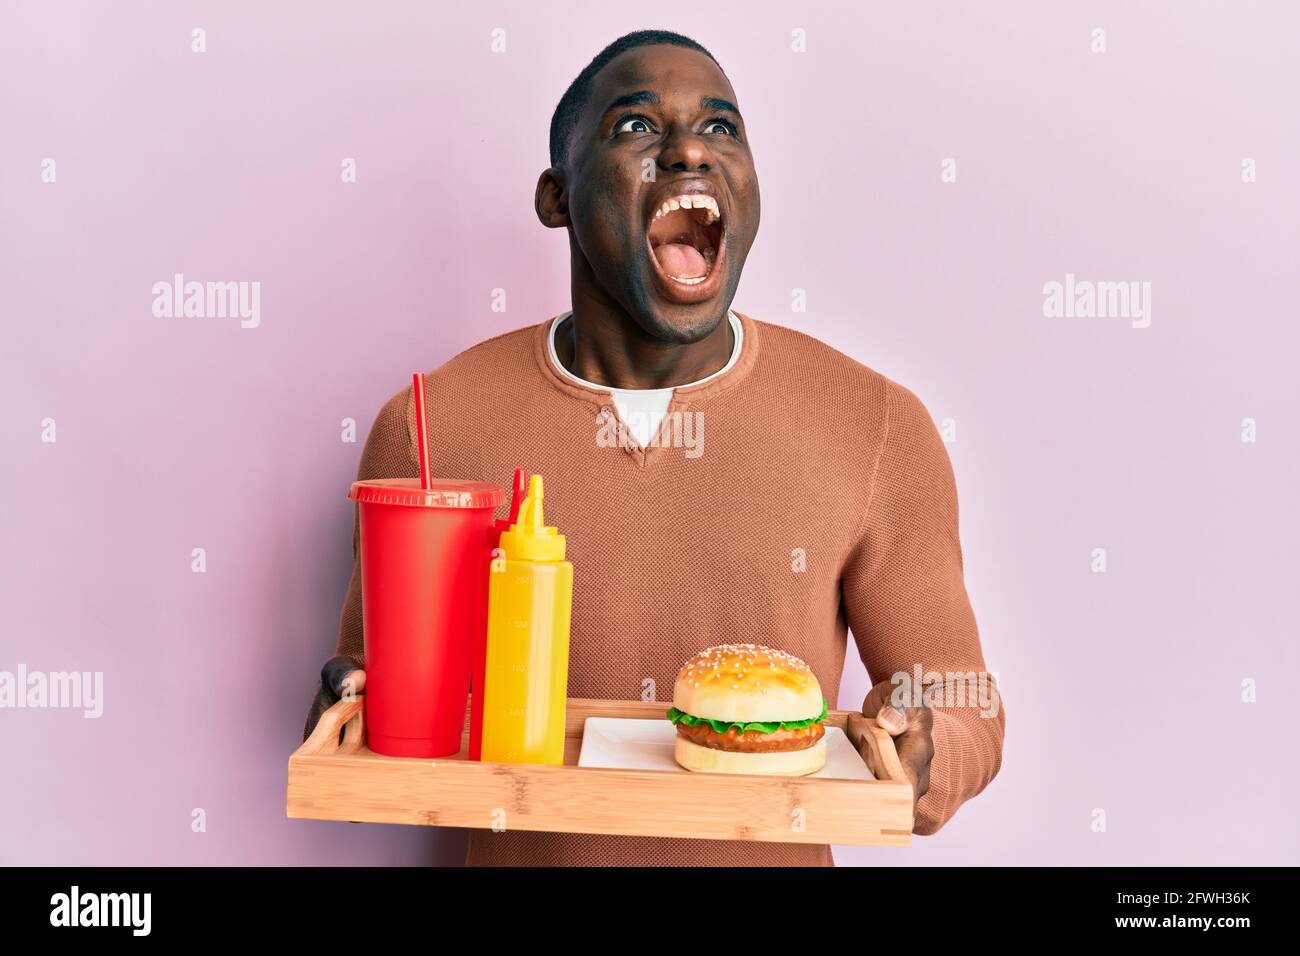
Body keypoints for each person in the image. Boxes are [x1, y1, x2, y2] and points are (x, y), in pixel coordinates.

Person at [304, 29, 1005, 866]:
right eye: (636, 127)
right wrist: (351, 697)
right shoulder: (430, 424)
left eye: (721, 129)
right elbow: (373, 690)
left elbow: (962, 701)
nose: (687, 152)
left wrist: (922, 738)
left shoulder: (874, 422)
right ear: (556, 198)